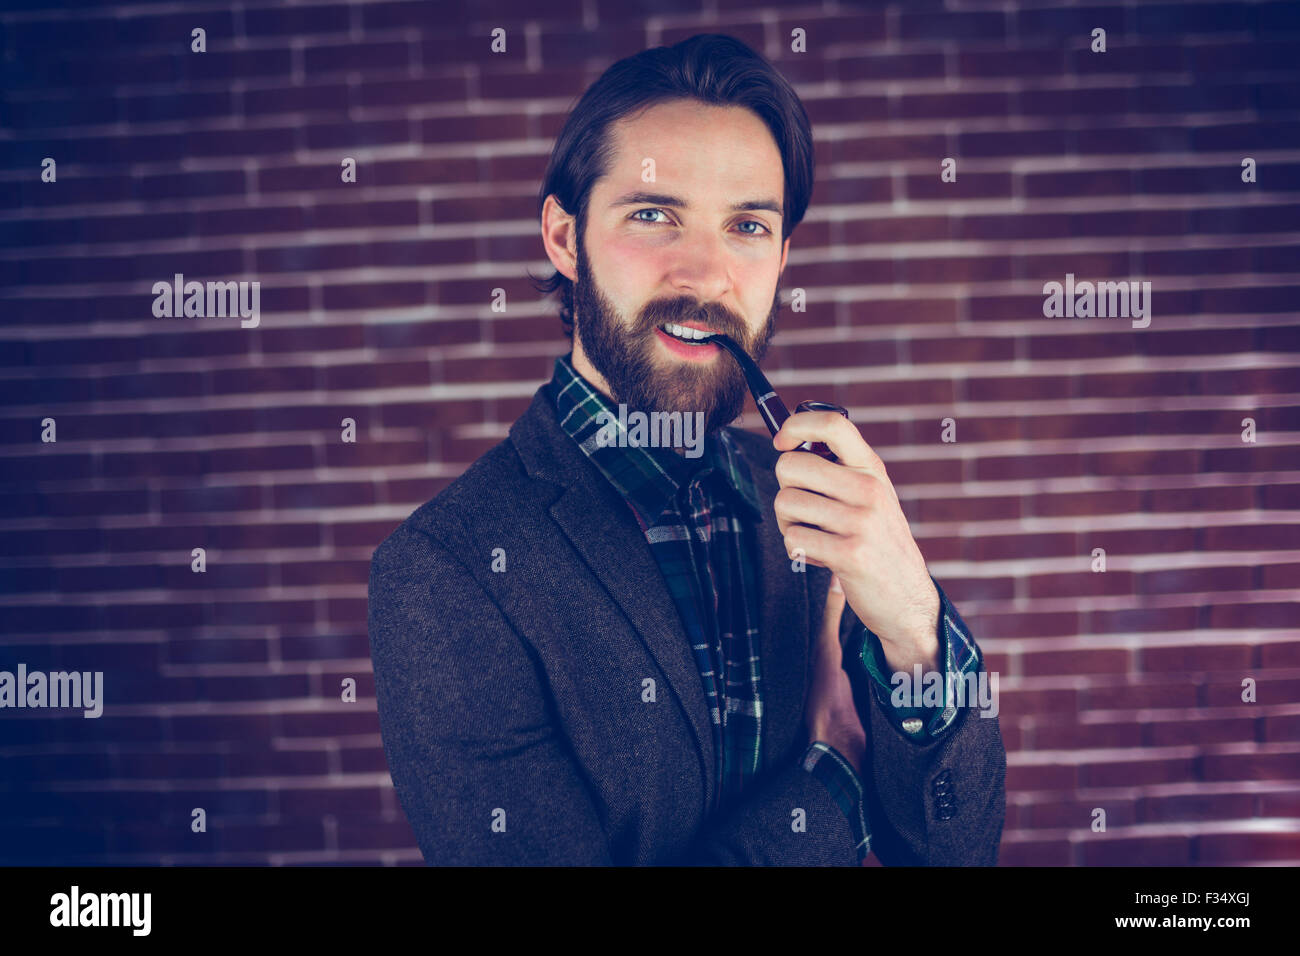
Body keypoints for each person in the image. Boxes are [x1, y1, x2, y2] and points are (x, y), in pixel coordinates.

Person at [367, 33, 1006, 865]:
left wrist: (916, 627)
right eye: (654, 214)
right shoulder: (445, 571)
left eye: (746, 226)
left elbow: (960, 852)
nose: (706, 276)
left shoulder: (816, 506)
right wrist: (835, 782)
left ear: (780, 260)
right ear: (564, 238)